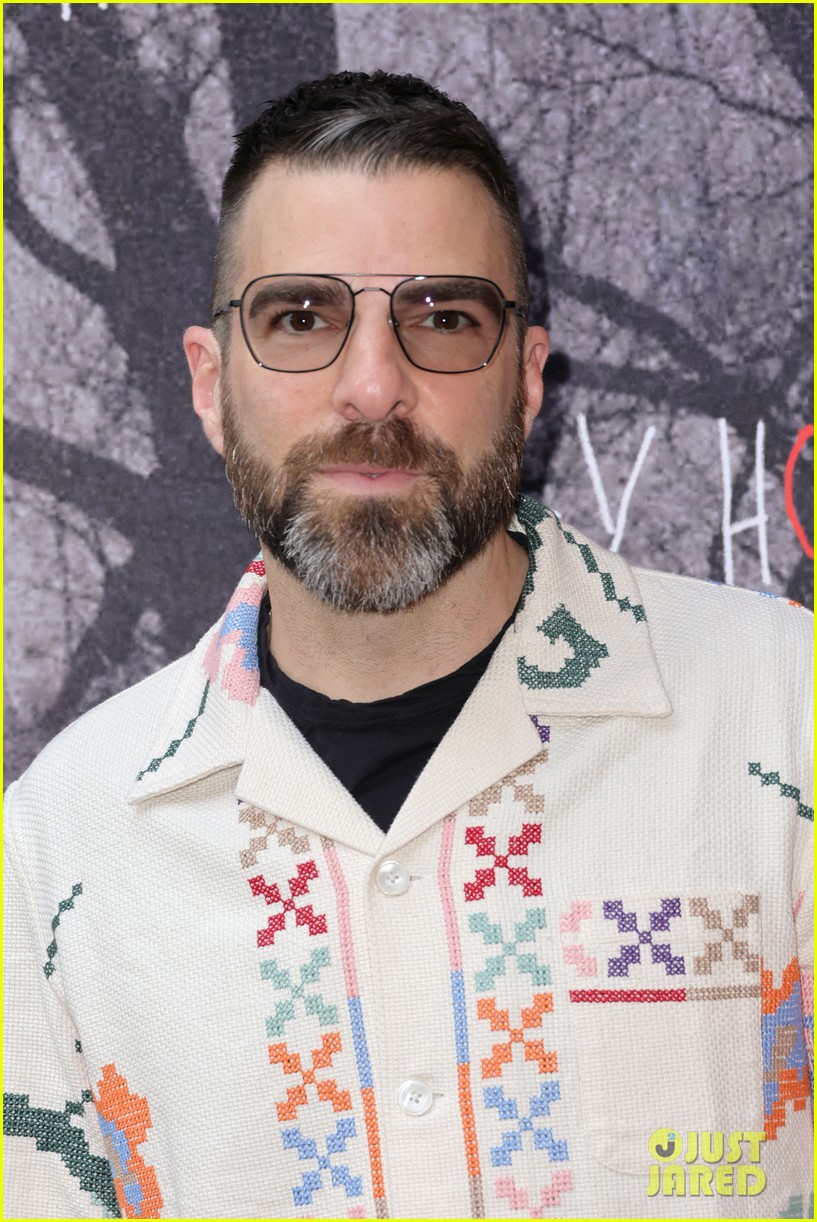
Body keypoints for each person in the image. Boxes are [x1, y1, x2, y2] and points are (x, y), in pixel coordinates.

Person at [4, 70, 812, 1221]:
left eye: (441, 318)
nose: (373, 387)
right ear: (210, 387)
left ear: (526, 380)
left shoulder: (788, 713)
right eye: (299, 318)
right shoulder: (55, 849)